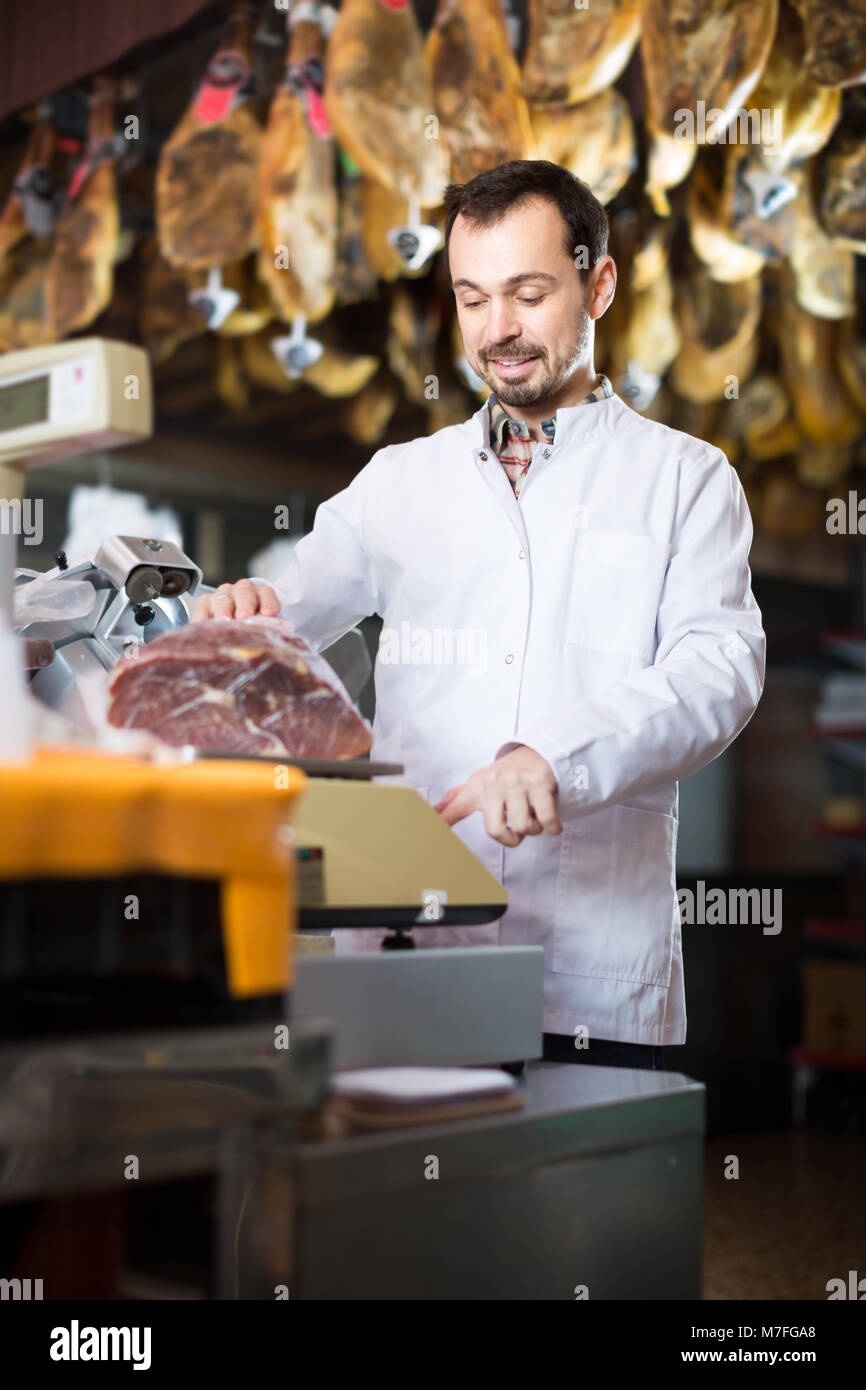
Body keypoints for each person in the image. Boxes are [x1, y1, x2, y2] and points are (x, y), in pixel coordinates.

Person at [193, 160, 766, 1072]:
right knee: (393, 1207)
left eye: (528, 293)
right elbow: (286, 618)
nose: (497, 330)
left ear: (599, 284)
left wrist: (557, 759)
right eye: (471, 298)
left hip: (592, 972)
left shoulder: (685, 479)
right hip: (406, 950)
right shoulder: (399, 481)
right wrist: (244, 612)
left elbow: (718, 670)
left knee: (575, 1208)